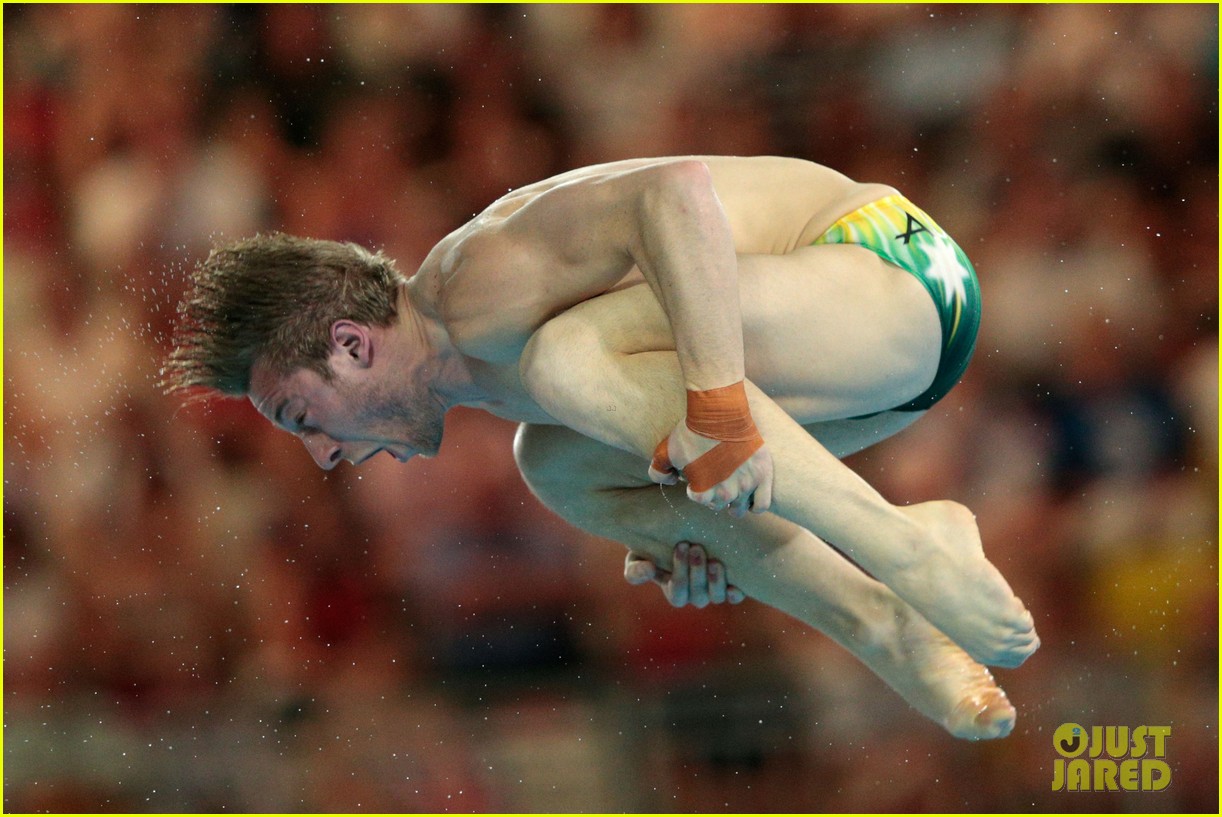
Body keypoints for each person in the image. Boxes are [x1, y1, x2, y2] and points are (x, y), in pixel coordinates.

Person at [164, 155, 1038, 740]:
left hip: (897, 268)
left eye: (301, 416)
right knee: (554, 465)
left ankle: (903, 544)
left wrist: (720, 408)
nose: (320, 456)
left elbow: (677, 192)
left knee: (565, 360)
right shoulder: (485, 364)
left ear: (353, 346)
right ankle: (887, 624)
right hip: (876, 365)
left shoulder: (480, 282)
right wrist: (689, 528)